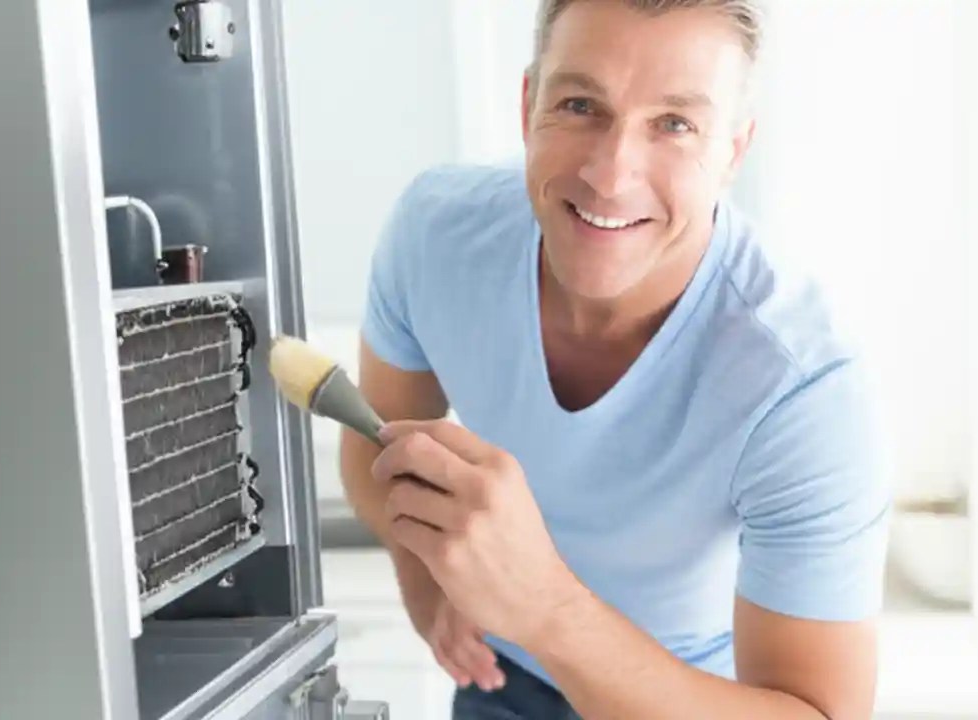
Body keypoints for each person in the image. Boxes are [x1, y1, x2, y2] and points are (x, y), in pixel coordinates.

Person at [339, 0, 891, 718]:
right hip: (505, 675)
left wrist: (547, 609)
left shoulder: (806, 389)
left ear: (732, 151)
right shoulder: (435, 238)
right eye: (580, 104)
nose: (610, 172)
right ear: (529, 103)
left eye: (675, 124)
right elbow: (375, 444)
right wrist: (426, 585)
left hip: (698, 694)